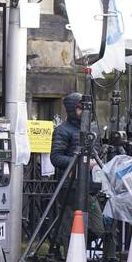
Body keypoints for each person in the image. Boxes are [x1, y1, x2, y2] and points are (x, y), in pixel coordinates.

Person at [49, 92, 105, 249]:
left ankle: (78, 251)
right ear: (73, 109)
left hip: (89, 187)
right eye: (81, 108)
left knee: (97, 228)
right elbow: (56, 158)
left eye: (86, 108)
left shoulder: (92, 130)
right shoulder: (62, 130)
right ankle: (67, 256)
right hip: (70, 188)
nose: (85, 112)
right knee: (69, 228)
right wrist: (82, 163)